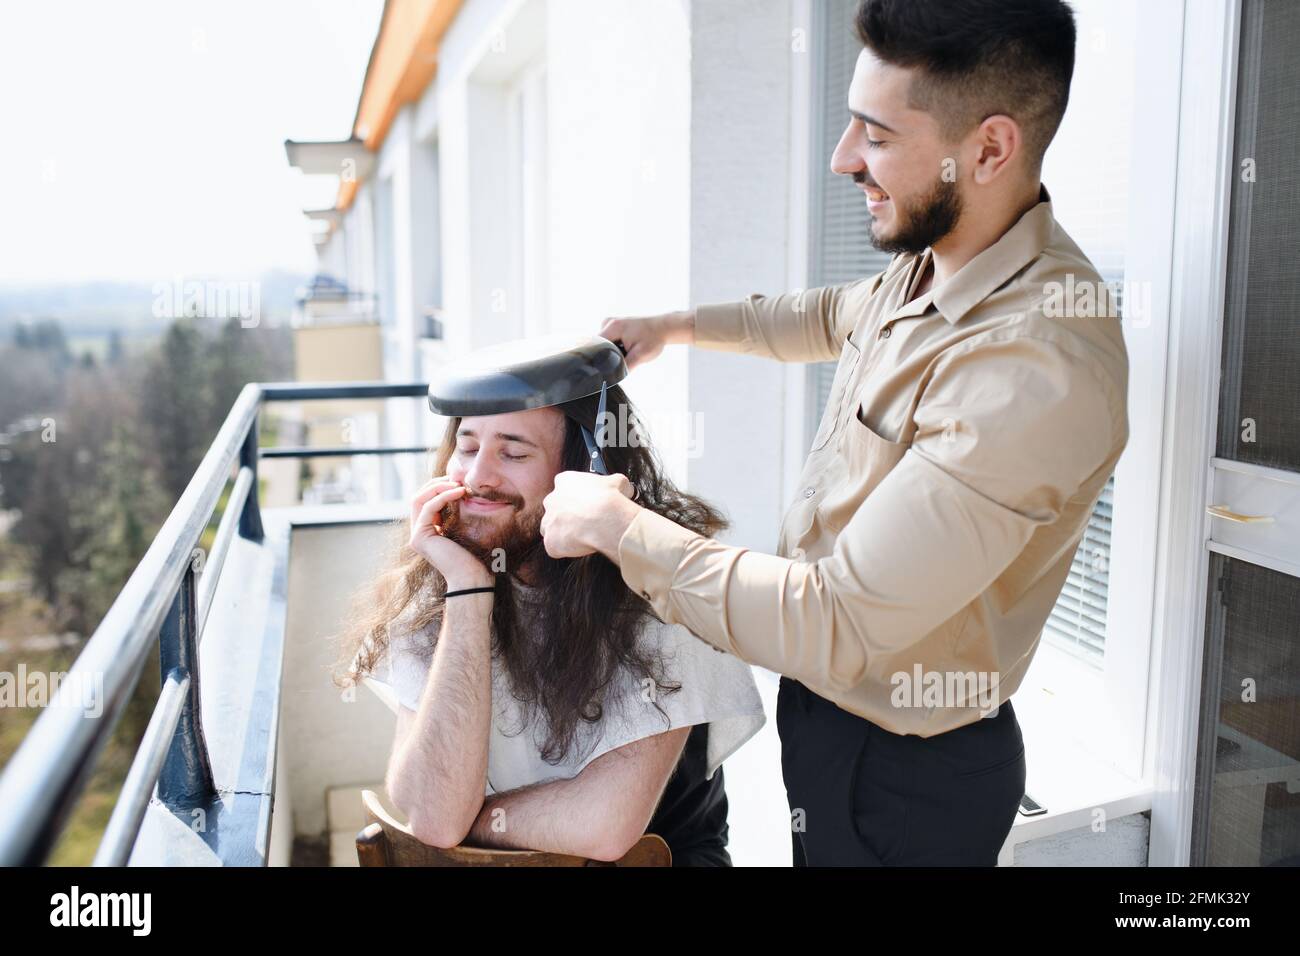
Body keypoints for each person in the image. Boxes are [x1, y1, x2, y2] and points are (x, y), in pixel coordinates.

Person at [539, 0, 1128, 865]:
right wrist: (678, 325)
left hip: (910, 778)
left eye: (877, 135)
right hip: (831, 723)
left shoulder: (1033, 367)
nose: (843, 158)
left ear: (991, 149)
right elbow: (822, 317)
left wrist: (619, 529)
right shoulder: (935, 262)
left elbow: (841, 621)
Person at [338, 383, 765, 865]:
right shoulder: (438, 578)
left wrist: (471, 827)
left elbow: (602, 827)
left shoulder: (662, 590)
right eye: (469, 446)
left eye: (513, 453)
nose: (477, 477)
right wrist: (468, 590)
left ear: (583, 475)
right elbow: (436, 817)